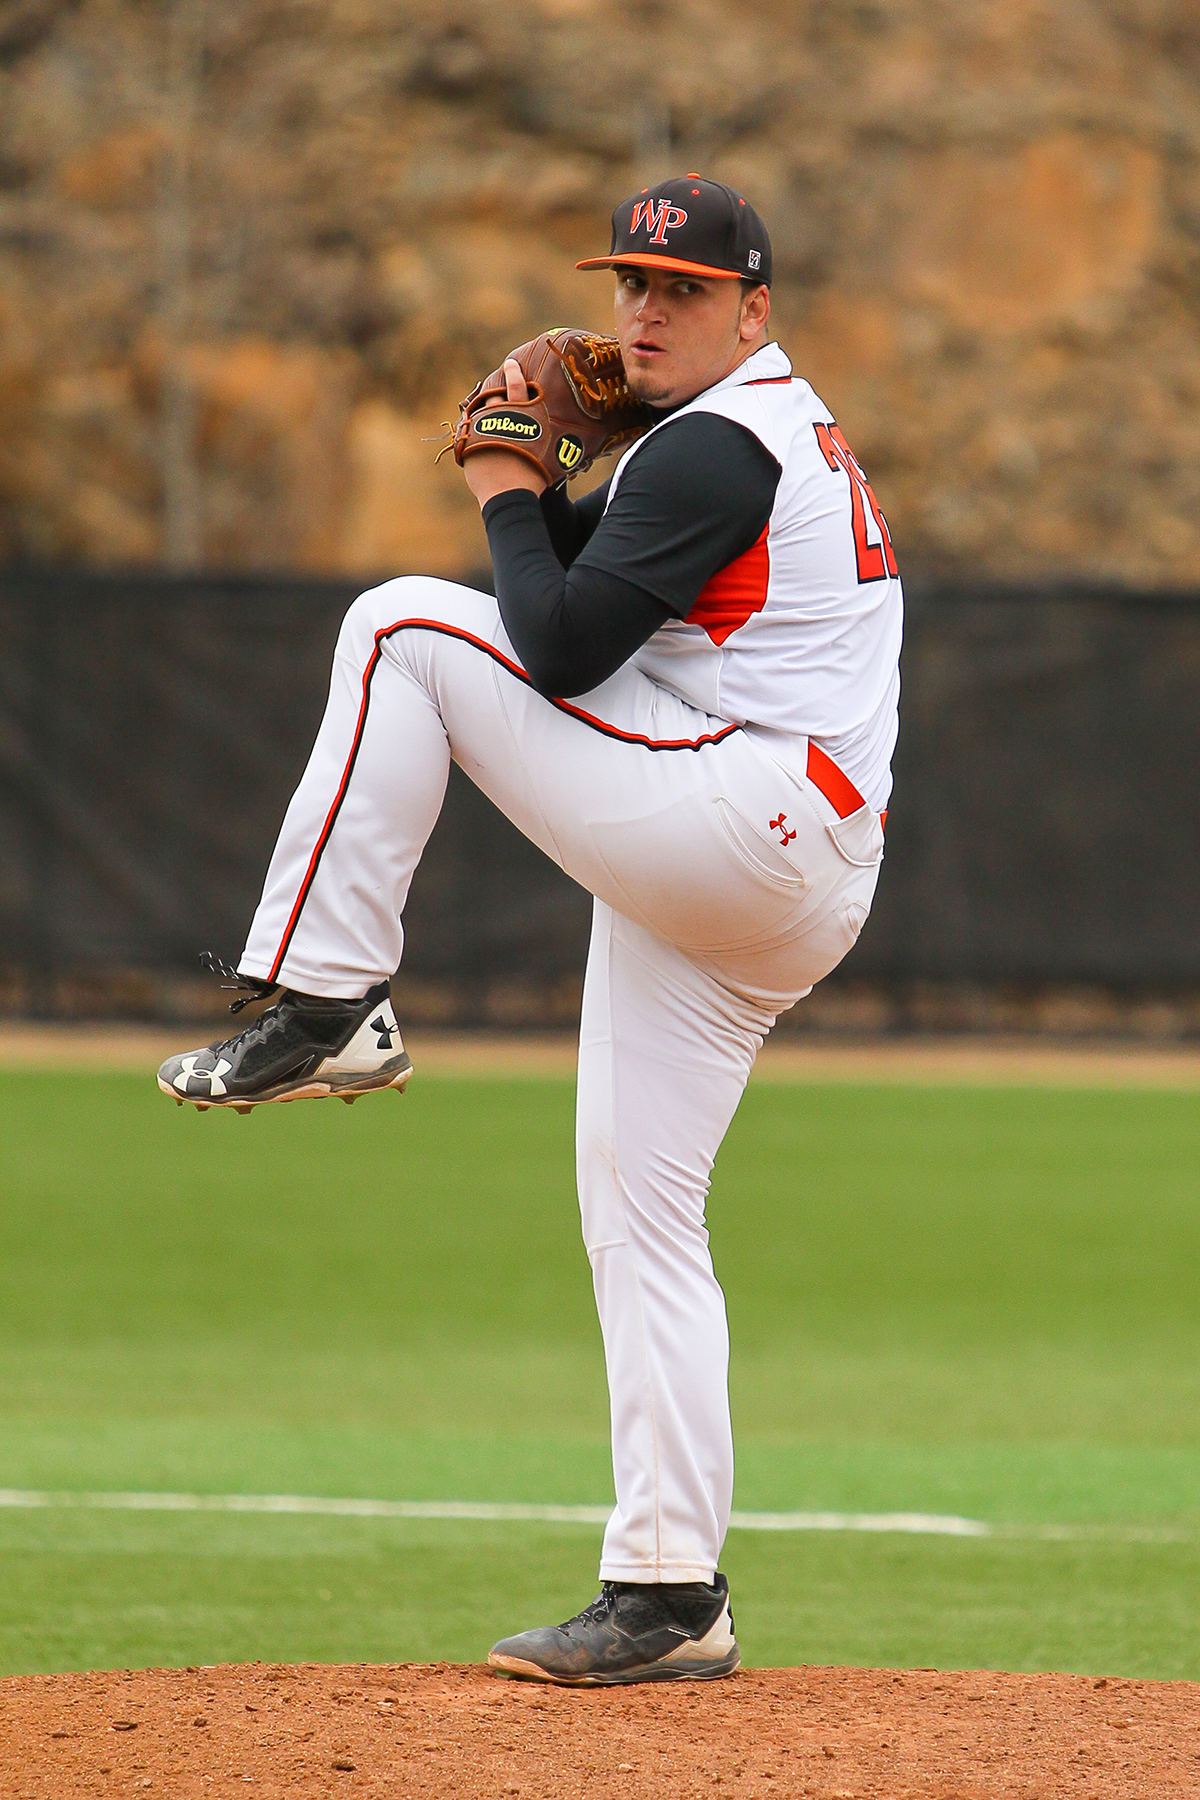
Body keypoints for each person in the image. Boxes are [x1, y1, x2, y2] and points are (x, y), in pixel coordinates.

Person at [158, 174, 903, 1686]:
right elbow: (589, 593)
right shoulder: (733, 437)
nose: (643, 310)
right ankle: (669, 1594)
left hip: (745, 819)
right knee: (641, 1211)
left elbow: (551, 640)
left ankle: (328, 996)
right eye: (632, 282)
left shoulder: (719, 440)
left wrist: (504, 483)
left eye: (682, 290)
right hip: (760, 845)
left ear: (753, 311)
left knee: (397, 627)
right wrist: (538, 493)